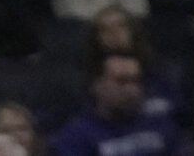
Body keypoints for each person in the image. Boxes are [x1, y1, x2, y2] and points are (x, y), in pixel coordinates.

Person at [51, 54, 179, 156]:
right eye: (121, 81)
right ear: (97, 85)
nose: (132, 90)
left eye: (136, 81)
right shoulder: (75, 137)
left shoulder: (159, 124)